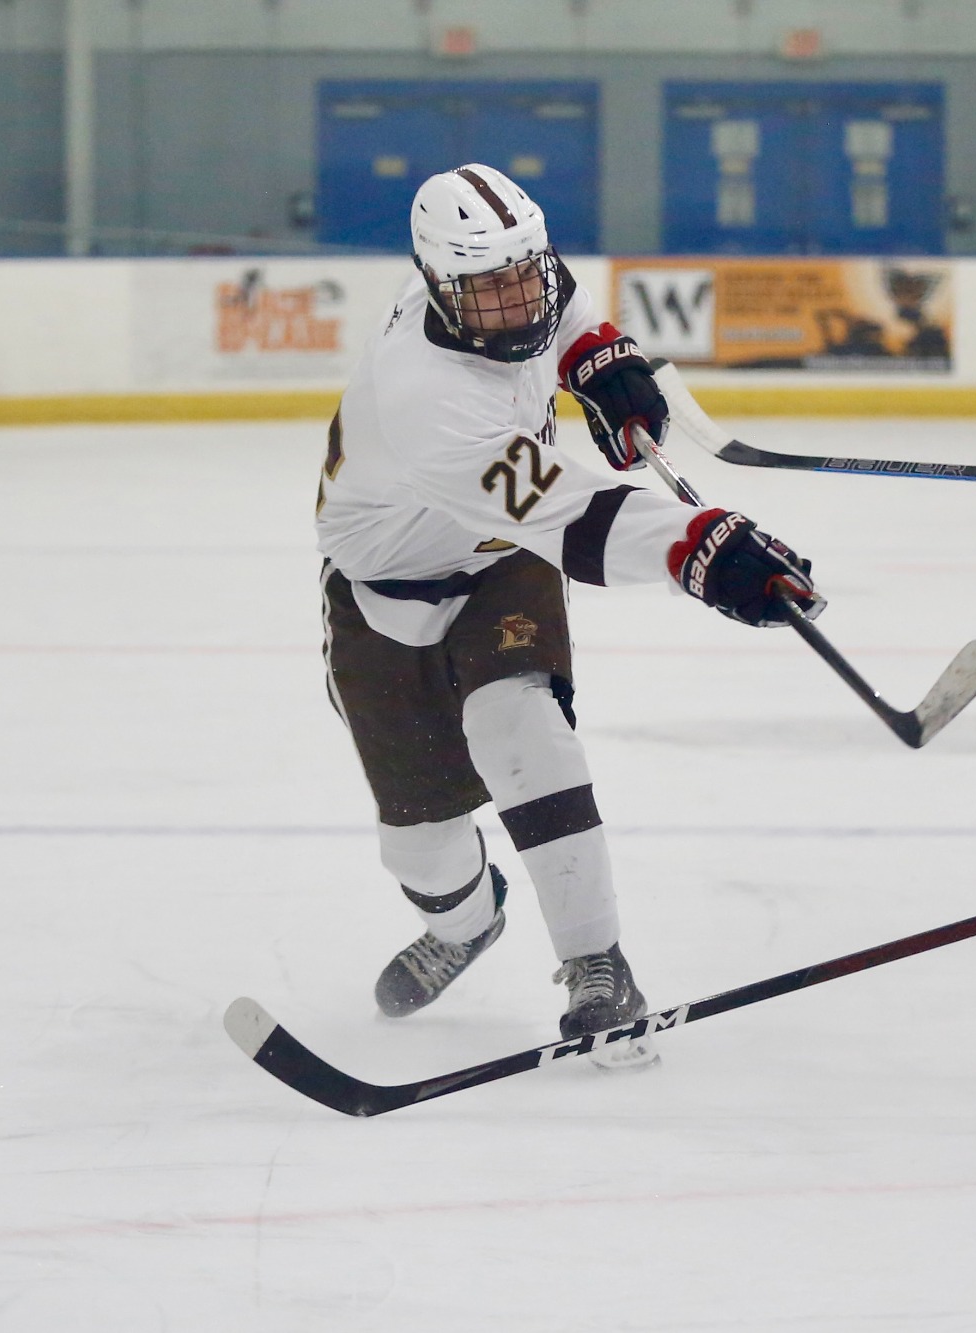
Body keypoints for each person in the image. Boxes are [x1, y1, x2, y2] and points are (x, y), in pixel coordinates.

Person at [315, 164, 822, 1064]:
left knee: (522, 729)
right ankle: (469, 922)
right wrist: (701, 548)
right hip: (385, 593)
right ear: (435, 283)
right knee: (420, 848)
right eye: (491, 288)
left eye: (526, 274)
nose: (518, 302)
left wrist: (601, 358)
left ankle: (599, 965)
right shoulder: (426, 397)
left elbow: (566, 305)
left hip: (503, 563)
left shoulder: (511, 282)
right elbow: (575, 516)